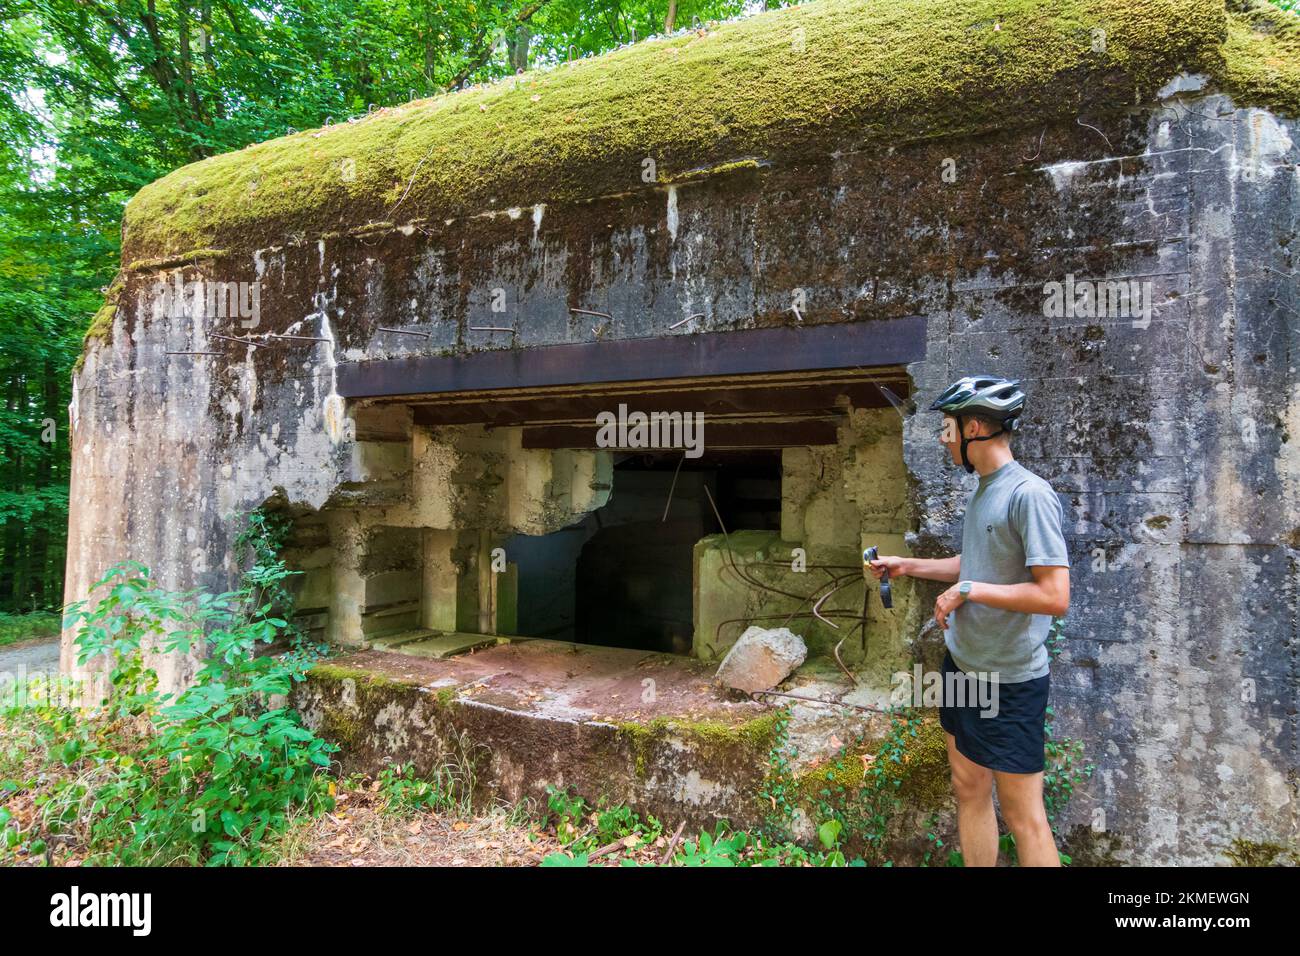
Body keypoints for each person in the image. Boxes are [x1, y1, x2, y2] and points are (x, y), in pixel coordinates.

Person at [867, 375, 1070, 867]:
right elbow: (976, 564)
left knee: (1025, 817)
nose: (943, 438)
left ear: (974, 427)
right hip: (963, 666)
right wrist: (908, 566)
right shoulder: (985, 489)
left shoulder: (1029, 494)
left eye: (947, 428)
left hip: (1010, 681)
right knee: (967, 785)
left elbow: (1054, 595)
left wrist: (969, 591)